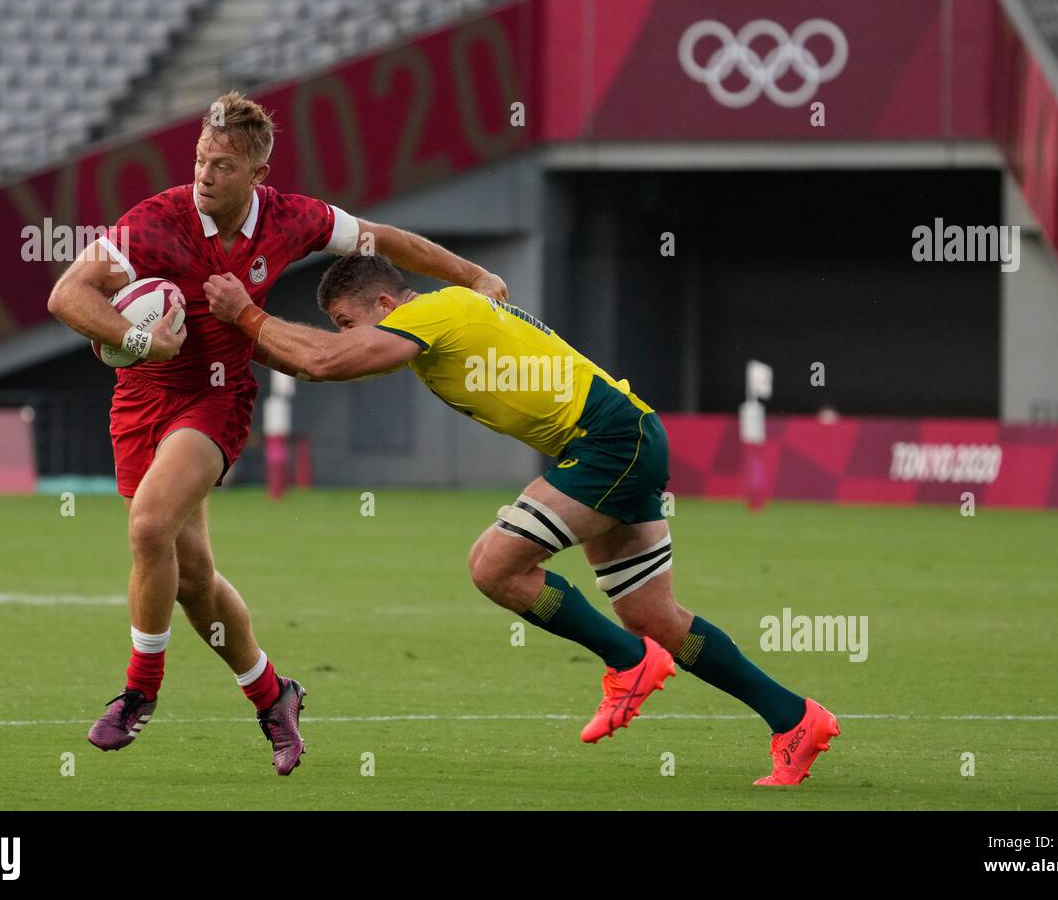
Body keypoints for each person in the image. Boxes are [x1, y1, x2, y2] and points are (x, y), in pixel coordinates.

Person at [201, 253, 839, 786]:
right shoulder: (443, 315)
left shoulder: (432, 312)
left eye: (347, 321)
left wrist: (247, 314)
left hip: (607, 441)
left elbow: (325, 361)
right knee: (657, 618)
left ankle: (628, 660)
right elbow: (316, 362)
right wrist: (238, 334)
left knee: (495, 565)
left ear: (387, 307)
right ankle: (795, 719)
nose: (344, 335)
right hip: (620, 436)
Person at [47, 93, 507, 775]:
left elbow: (388, 241)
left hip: (216, 399)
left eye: (223, 165)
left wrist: (471, 275)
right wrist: (137, 336)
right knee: (193, 580)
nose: (205, 175)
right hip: (141, 399)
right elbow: (67, 296)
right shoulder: (156, 220)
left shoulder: (294, 219)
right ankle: (273, 696)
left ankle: (138, 692)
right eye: (201, 158)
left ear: (257, 174)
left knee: (149, 529)